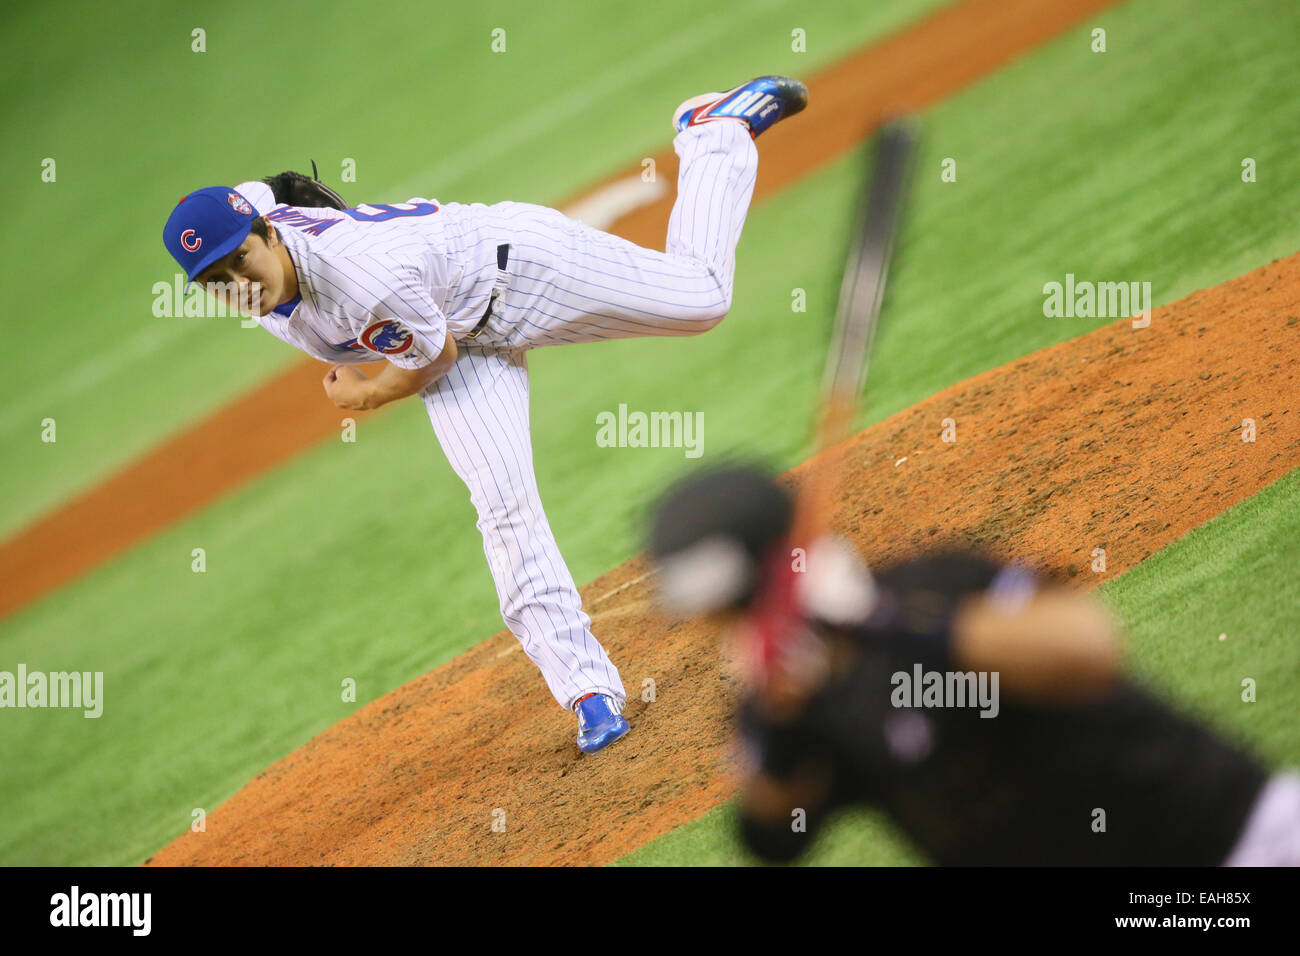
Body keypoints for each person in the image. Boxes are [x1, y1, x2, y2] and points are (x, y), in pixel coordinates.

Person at [162, 77, 809, 754]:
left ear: (266, 236)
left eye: (242, 260)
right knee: (502, 509)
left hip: (519, 272)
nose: (240, 285)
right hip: (458, 333)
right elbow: (265, 190)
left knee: (702, 299)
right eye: (216, 282)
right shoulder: (256, 241)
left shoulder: (360, 278)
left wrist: (368, 396)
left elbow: (432, 356)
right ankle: (588, 692)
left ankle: (712, 132)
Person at [646, 464, 1299, 863]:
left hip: (1233, 843)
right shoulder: (787, 700)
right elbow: (773, 841)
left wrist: (886, 627)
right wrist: (780, 736)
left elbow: (1089, 650)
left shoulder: (930, 588)